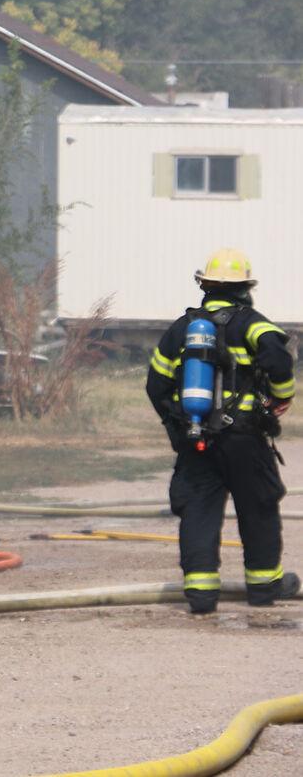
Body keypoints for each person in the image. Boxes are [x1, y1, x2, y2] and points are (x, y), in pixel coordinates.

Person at [146, 248, 298, 613]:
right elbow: (279, 360)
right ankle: (263, 590)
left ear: (205, 285)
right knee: (258, 509)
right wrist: (281, 398)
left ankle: (201, 596)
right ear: (246, 287)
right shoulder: (254, 323)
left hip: (196, 437)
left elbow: (156, 384)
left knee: (198, 511)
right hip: (245, 439)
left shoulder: (181, 329)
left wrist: (179, 425)